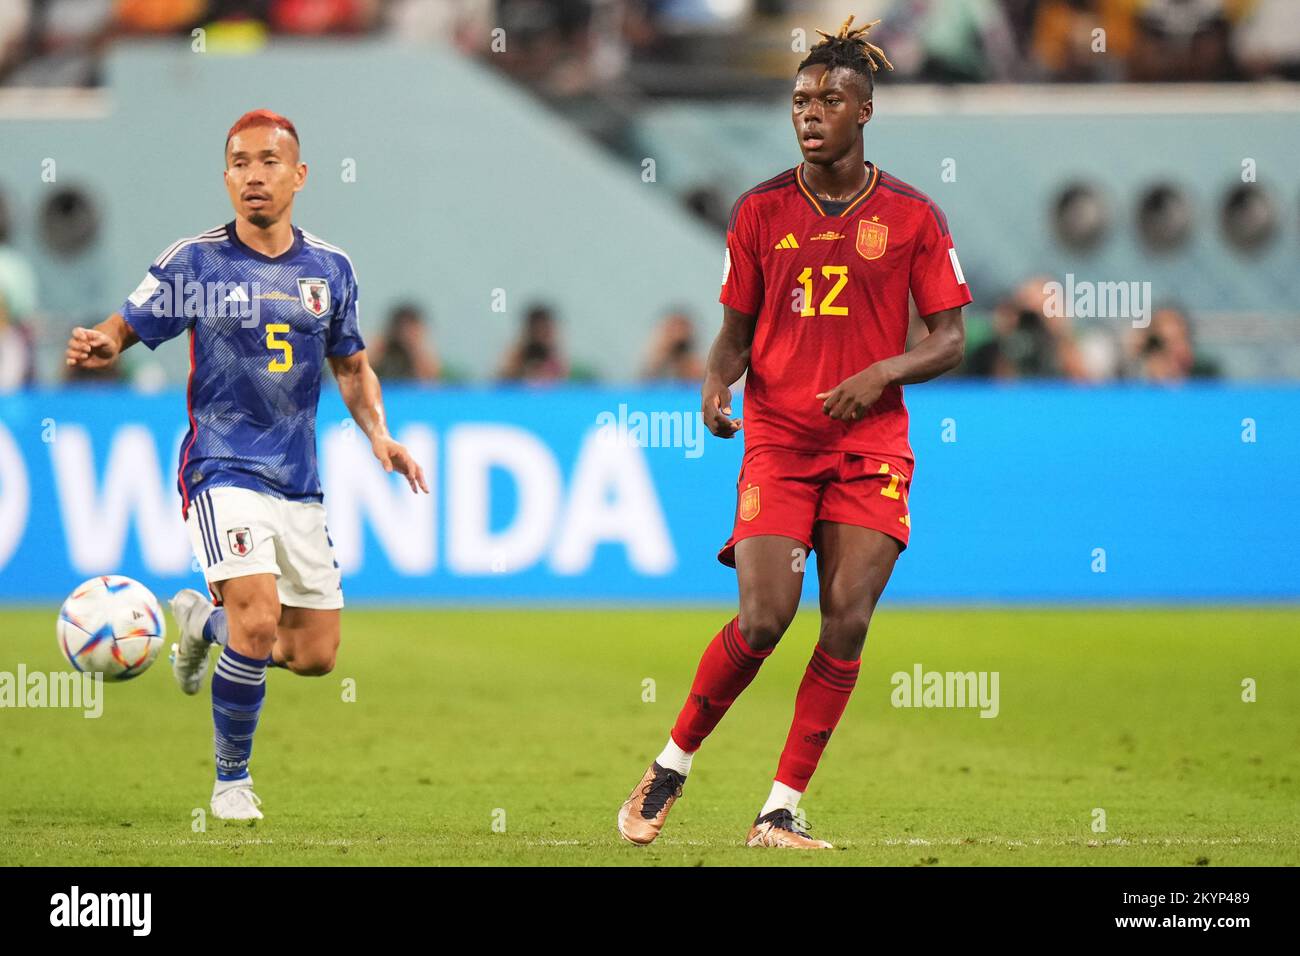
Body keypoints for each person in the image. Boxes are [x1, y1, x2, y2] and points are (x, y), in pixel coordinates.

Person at [618, 15, 970, 850]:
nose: (810, 112)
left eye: (829, 99)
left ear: (865, 110)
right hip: (779, 439)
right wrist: (712, 383)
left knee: (846, 618)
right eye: (800, 99)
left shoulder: (914, 217)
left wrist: (881, 374)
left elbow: (951, 339)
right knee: (766, 620)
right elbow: (734, 336)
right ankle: (673, 761)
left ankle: (779, 807)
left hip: (872, 445)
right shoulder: (761, 210)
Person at [64, 109, 428, 821]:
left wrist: (379, 436)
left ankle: (202, 624)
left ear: (299, 174)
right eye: (239, 162)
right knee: (257, 623)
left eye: (268, 161)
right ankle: (232, 782)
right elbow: (126, 322)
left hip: (299, 481)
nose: (253, 176)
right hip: (223, 467)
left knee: (313, 654)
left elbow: (352, 366)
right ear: (225, 175)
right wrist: (107, 345)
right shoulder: (195, 263)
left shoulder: (330, 269)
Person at [372, 302, 442, 382]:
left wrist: (415, 346)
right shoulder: (383, 349)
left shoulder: (421, 355)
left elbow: (431, 382)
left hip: (410, 391)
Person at [639, 310, 704, 382]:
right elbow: (642, 380)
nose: (677, 334)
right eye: (673, 329)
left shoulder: (697, 367)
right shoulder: (653, 363)